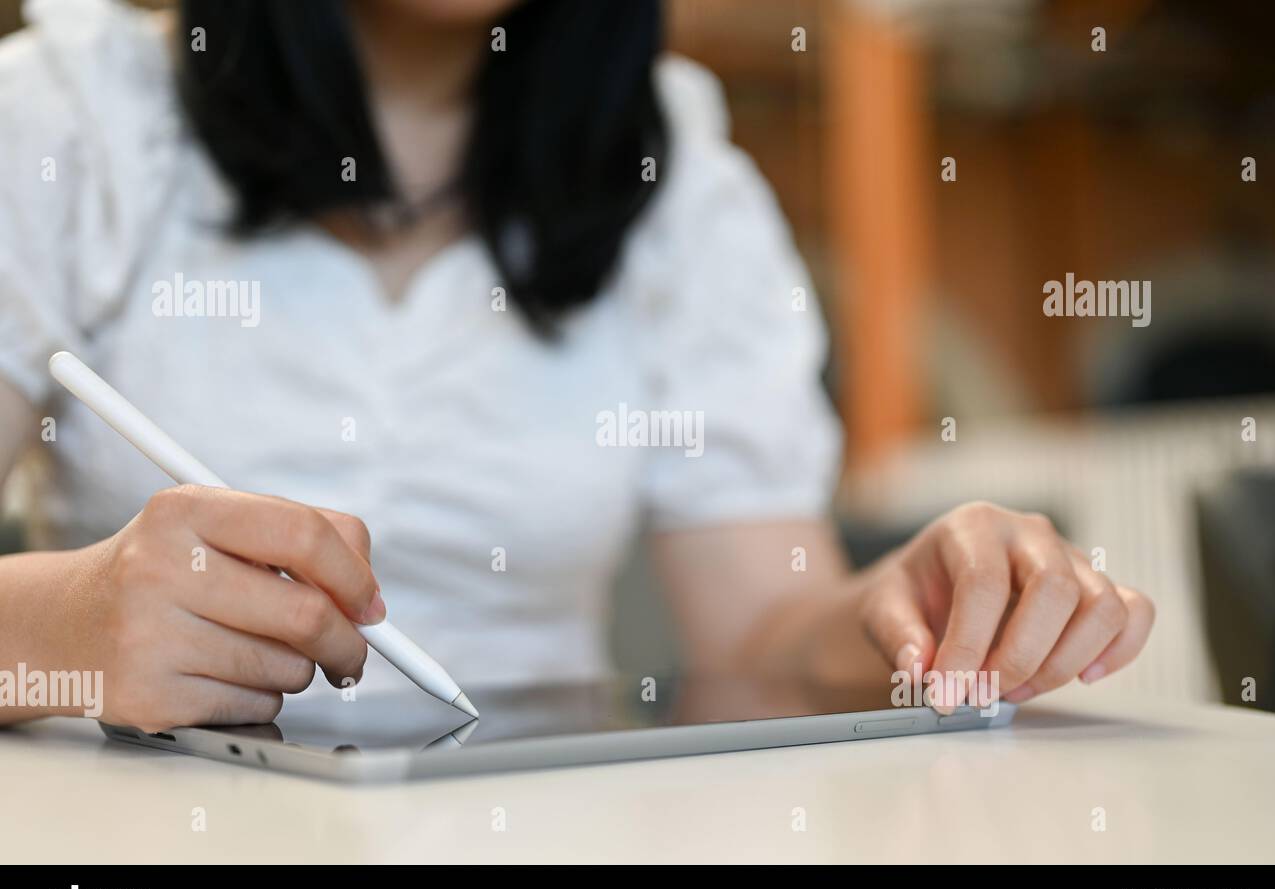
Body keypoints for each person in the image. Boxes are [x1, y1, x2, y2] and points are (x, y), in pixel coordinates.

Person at [0, 0, 1152, 733]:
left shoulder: (678, 180)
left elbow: (761, 638)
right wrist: (56, 631)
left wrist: (912, 617)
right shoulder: (69, 119)